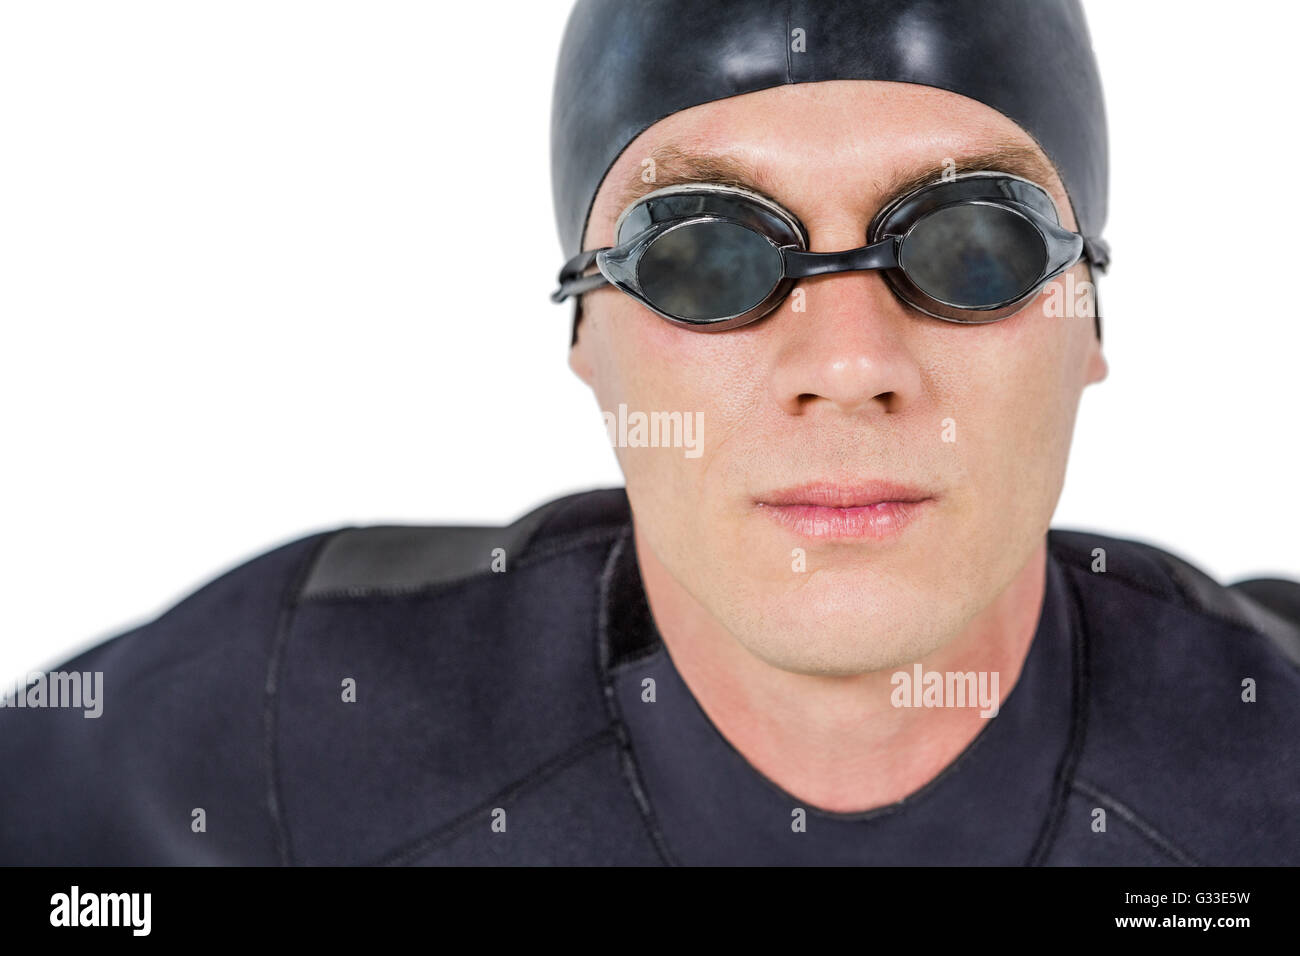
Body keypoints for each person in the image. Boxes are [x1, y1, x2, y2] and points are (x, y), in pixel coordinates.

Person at [2, 0, 1297, 866]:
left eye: (974, 250)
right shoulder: (291, 716)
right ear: (586, 335)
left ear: (1088, 318)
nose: (847, 366)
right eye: (707, 259)